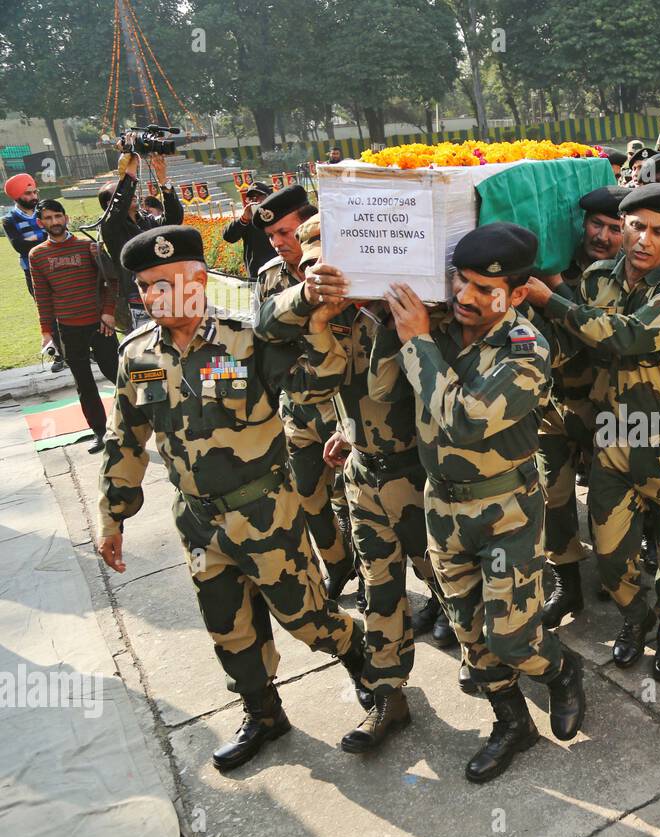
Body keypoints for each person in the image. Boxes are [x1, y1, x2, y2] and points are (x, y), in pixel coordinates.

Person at [97, 225, 368, 772]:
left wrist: (316, 324)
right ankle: (263, 714)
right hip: (197, 522)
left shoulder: (245, 341)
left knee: (307, 618)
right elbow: (125, 438)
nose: (150, 297)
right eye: (144, 287)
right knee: (229, 627)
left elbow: (319, 382)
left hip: (264, 512)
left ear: (197, 282)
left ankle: (360, 655)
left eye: (163, 285)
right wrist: (113, 516)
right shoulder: (139, 355)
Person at [391, 222, 585, 783]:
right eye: (460, 281)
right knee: (473, 635)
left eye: (484, 288)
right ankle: (512, 725)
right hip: (442, 509)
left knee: (512, 636)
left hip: (506, 512)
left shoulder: (526, 350)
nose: (466, 297)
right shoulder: (441, 325)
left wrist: (416, 341)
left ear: (518, 294)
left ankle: (562, 670)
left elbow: (465, 420)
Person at [254, 214, 450, 751]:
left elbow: (388, 389)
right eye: (316, 267)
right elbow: (280, 347)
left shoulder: (395, 312)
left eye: (337, 266)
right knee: (379, 589)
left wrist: (384, 314)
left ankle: (498, 668)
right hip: (363, 474)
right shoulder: (313, 318)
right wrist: (315, 321)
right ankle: (390, 698)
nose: (330, 278)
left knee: (443, 574)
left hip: (414, 471)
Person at [525, 184, 660, 683]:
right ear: (622, 227)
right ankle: (637, 616)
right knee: (609, 557)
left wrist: (553, 299)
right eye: (637, 227)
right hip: (614, 436)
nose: (645, 240)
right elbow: (578, 346)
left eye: (659, 231)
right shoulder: (598, 279)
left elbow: (631, 337)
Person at [251, 186, 359, 606]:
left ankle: (370, 574)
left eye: (285, 233)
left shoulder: (344, 271)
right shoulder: (270, 278)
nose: (279, 244)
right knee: (309, 496)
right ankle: (339, 565)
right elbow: (264, 334)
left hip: (342, 407)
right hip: (297, 409)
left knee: (352, 497)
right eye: (272, 237)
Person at [536, 185, 629, 628]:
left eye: (615, 228)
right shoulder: (556, 264)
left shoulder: (627, 277)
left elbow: (603, 337)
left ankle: (617, 572)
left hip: (608, 408)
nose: (603, 236)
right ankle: (566, 583)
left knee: (610, 500)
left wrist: (556, 293)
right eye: (596, 224)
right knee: (553, 500)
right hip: (553, 406)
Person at [28, 199, 120, 452]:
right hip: (68, 328)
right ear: (40, 223)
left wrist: (109, 313)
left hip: (101, 324)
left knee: (118, 375)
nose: (54, 222)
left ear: (66, 218)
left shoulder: (88, 246)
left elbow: (111, 282)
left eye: (58, 216)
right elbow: (42, 296)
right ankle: (100, 432)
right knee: (84, 383)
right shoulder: (37, 255)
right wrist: (46, 331)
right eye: (48, 218)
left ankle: (140, 421)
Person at [99, 144, 183, 331]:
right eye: (118, 193)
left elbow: (174, 220)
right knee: (149, 352)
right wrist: (130, 173)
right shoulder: (110, 226)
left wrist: (163, 181)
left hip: (167, 292)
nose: (132, 193)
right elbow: (119, 205)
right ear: (109, 204)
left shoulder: (146, 221)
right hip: (138, 299)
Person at [3, 172, 60, 371]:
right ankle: (59, 354)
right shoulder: (9, 219)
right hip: (33, 271)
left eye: (35, 191)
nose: (34, 196)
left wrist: (34, 238)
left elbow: (58, 232)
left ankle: (81, 349)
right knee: (47, 312)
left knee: (69, 307)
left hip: (58, 265)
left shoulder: (44, 210)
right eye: (28, 193)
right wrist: (44, 235)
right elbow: (19, 246)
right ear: (16, 196)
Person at [221, 180, 276, 276]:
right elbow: (229, 237)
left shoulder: (278, 215)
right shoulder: (246, 220)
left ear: (269, 198)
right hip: (257, 274)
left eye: (259, 197)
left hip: (280, 269)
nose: (255, 201)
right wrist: (244, 219)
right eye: (251, 198)